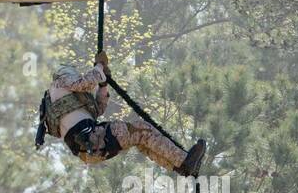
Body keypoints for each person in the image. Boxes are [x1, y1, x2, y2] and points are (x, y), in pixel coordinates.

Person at [36, 53, 206, 176]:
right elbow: (84, 83)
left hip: (89, 148)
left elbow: (98, 109)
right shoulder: (59, 83)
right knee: (141, 128)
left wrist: (103, 85)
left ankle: (179, 167)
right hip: (93, 138)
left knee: (140, 139)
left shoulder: (66, 101)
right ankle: (183, 161)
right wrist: (99, 66)